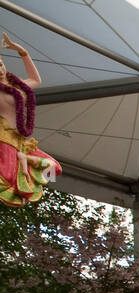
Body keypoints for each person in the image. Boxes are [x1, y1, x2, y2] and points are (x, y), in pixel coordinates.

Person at [0, 33, 61, 207]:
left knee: (54, 169)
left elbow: (35, 80)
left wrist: (22, 52)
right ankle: (21, 169)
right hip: (4, 138)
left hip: (21, 143)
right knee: (8, 178)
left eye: (1, 65)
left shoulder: (17, 85)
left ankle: (24, 161)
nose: (0, 70)